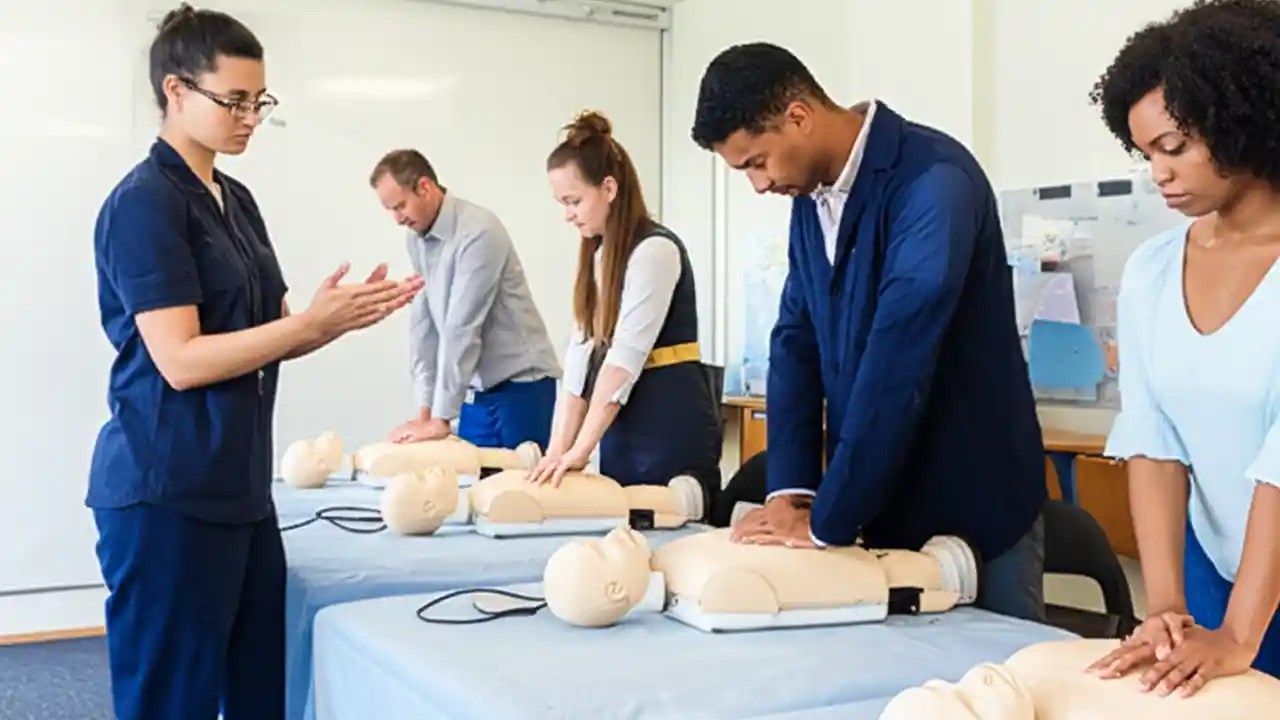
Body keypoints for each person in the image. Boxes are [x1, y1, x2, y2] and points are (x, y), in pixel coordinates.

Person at [87, 6, 422, 718]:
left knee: (259, 691)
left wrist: (330, 318)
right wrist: (305, 325)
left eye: (258, 101)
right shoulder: (144, 204)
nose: (249, 117)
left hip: (239, 490)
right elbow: (179, 360)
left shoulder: (234, 199)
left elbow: (266, 332)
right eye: (233, 100)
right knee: (169, 702)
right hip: (166, 491)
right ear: (176, 91)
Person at [691, 42, 1048, 622]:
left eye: (756, 162)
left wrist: (828, 520)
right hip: (880, 501)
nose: (757, 185)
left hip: (975, 498)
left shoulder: (933, 181)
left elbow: (898, 359)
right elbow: (794, 344)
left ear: (798, 117)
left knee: (1002, 689)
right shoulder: (811, 201)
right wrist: (792, 492)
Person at [1084, 0, 1280, 694]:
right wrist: (1166, 606)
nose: (1158, 174)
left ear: (1245, 117)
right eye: (1145, 156)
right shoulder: (1152, 269)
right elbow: (1152, 438)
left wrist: (1242, 634)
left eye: (1175, 148)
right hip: (1215, 555)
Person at [529, 111, 722, 514]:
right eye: (562, 203)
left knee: (666, 526)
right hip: (625, 428)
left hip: (668, 421)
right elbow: (580, 363)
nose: (568, 214)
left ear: (609, 188)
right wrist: (557, 453)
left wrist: (582, 449)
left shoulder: (655, 251)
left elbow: (622, 362)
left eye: (574, 201)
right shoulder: (598, 256)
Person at [370, 150, 562, 451]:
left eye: (400, 206)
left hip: (523, 387)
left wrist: (441, 417)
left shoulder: (479, 232)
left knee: (518, 493)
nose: (397, 219)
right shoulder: (416, 237)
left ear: (424, 187)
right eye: (390, 210)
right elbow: (425, 324)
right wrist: (425, 411)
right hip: (476, 389)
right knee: (472, 489)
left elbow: (461, 326)